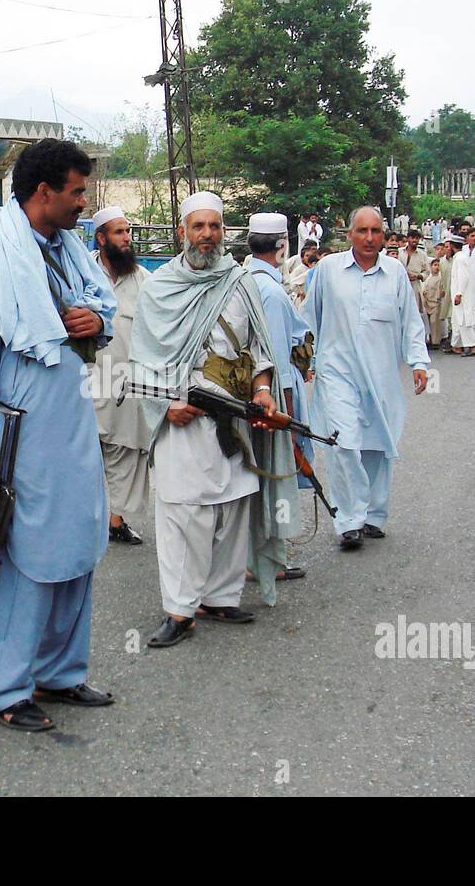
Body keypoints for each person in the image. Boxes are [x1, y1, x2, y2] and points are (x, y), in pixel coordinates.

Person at [0, 138, 117, 731]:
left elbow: (96, 317)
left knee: (77, 544)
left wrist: (95, 320)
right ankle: (8, 689)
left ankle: (60, 672)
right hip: (22, 427)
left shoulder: (69, 250)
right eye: (77, 192)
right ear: (45, 192)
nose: (84, 203)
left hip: (74, 418)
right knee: (27, 553)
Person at [129, 191, 298, 648]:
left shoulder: (240, 283)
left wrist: (262, 391)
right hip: (183, 421)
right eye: (198, 227)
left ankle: (220, 597)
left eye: (215, 227)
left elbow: (260, 350)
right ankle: (179, 610)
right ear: (182, 231)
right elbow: (141, 361)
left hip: (235, 419)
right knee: (185, 515)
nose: (207, 236)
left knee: (234, 505)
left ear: (225, 232)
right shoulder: (160, 288)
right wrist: (168, 406)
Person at [306, 207, 428, 550]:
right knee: (344, 443)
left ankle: (374, 514)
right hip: (337, 373)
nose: (370, 238)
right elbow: (310, 316)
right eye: (362, 231)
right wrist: (310, 358)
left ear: (384, 235)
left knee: (377, 443)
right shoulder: (328, 270)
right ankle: (348, 520)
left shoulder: (395, 273)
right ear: (349, 234)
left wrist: (418, 362)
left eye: (376, 231)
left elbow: (411, 322)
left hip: (381, 374)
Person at [245, 212, 313, 581]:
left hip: (266, 392)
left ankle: (259, 555)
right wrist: (284, 414)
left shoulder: (250, 280)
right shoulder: (268, 291)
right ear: (282, 245)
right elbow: (272, 356)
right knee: (274, 477)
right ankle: (266, 559)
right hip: (275, 395)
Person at [90, 206, 152, 545]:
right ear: (101, 238)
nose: (127, 238)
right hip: (84, 383)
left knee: (126, 453)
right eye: (119, 232)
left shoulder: (144, 281)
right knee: (84, 455)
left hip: (125, 385)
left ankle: (116, 520)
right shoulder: (82, 273)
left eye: (128, 232)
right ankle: (85, 519)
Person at [449, 229, 475, 356]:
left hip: (462, 295)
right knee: (457, 321)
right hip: (461, 294)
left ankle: (473, 345)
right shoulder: (461, 257)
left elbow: (463, 277)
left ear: (452, 246)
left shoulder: (460, 259)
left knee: (463, 320)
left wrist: (459, 294)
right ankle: (456, 345)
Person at [421, 255, 446, 350]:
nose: (437, 267)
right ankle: (430, 339)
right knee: (428, 322)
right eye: (435, 265)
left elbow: (442, 290)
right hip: (427, 302)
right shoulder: (428, 277)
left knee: (434, 322)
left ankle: (436, 341)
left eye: (438, 265)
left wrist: (440, 295)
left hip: (436, 302)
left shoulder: (440, 278)